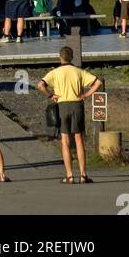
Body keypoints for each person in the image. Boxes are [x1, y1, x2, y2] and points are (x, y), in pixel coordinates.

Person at [37, 46, 102, 184]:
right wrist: (86, 95)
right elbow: (98, 82)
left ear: (60, 57)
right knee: (79, 140)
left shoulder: (55, 72)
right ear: (71, 57)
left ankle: (70, 175)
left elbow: (40, 85)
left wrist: (50, 95)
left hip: (62, 106)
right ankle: (83, 175)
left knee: (65, 141)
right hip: (77, 105)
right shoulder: (79, 71)